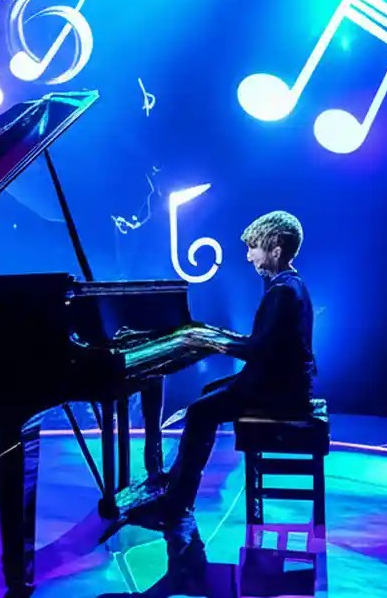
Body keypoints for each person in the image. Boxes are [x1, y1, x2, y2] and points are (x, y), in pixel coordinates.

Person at [113, 211, 316, 537]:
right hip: (283, 382)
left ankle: (177, 504)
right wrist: (209, 336)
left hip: (279, 390)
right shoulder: (291, 285)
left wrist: (207, 339)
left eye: (254, 248)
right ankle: (175, 487)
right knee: (210, 391)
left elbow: (254, 350)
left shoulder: (282, 292)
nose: (249, 255)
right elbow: (262, 346)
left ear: (275, 248)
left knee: (199, 412)